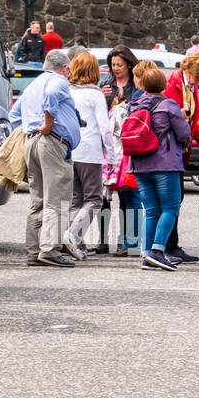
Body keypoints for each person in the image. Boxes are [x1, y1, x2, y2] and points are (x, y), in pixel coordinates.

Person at [18, 50, 81, 266]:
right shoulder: (58, 81)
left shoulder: (32, 85)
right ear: (64, 69)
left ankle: (34, 250)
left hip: (32, 142)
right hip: (52, 142)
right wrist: (48, 122)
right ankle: (50, 249)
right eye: (69, 72)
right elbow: (53, 94)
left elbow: (15, 114)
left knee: (38, 200)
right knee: (58, 198)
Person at [130, 64, 192, 271]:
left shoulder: (135, 105)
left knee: (151, 210)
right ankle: (157, 251)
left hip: (139, 164)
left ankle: (148, 253)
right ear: (163, 85)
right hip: (165, 164)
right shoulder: (169, 105)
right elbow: (184, 134)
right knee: (171, 208)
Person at [161, 51, 199, 263]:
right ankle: (166, 246)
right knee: (172, 200)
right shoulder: (172, 85)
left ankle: (170, 245)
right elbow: (170, 118)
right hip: (169, 150)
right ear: (190, 71)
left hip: (181, 150)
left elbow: (192, 120)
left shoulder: (190, 86)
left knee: (177, 199)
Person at [65, 53, 114, 259]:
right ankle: (72, 235)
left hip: (70, 150)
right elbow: (105, 128)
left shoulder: (67, 90)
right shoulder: (95, 94)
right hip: (90, 151)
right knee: (94, 199)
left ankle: (75, 241)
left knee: (76, 199)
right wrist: (111, 156)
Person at [101, 46, 142, 255]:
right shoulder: (106, 84)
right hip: (109, 147)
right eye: (113, 65)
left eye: (119, 64)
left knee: (130, 195)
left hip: (129, 146)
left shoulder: (137, 86)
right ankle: (102, 242)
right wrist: (102, 96)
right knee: (104, 196)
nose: (115, 68)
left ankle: (130, 242)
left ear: (128, 64)